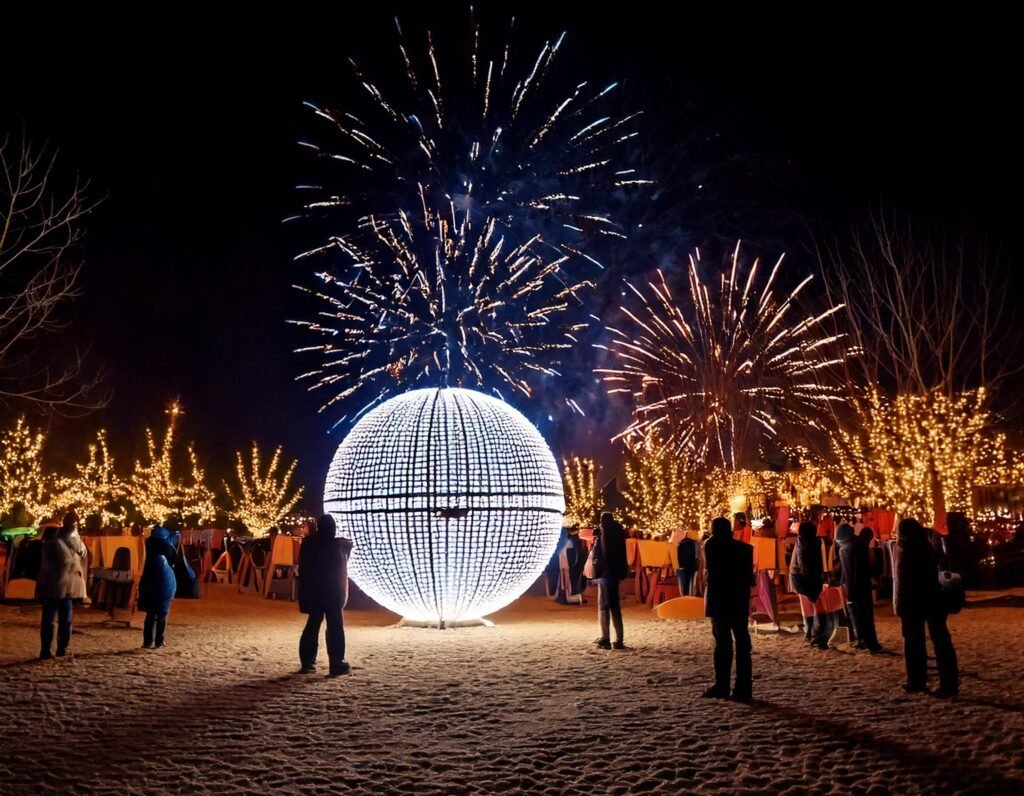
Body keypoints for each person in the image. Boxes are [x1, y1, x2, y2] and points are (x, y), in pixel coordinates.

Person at [894, 518, 959, 697]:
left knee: (916, 643)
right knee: (941, 642)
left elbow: (904, 583)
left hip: (914, 603)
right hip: (932, 600)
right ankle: (948, 682)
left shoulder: (907, 551)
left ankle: (917, 679)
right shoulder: (926, 547)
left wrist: (901, 605)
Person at [702, 516, 754, 702]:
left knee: (723, 644)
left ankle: (722, 684)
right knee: (742, 644)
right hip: (738, 601)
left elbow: (711, 574)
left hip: (719, 601)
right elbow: (750, 578)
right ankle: (743, 687)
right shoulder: (745, 550)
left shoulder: (711, 545)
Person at [297, 514, 353, 676]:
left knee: (313, 625)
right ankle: (336, 662)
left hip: (314, 591)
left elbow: (303, 566)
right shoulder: (337, 545)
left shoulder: (308, 543)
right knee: (335, 626)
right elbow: (344, 558)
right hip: (332, 592)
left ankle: (307, 662)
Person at [35, 513, 88, 659]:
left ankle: (47, 649)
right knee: (64, 619)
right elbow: (81, 554)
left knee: (50, 619)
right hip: (65, 586)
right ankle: (60, 648)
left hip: (52, 585)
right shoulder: (73, 538)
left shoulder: (51, 540)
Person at [835, 523, 881, 652]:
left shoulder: (846, 548)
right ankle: (869, 642)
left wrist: (841, 582)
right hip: (861, 585)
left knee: (855, 614)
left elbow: (846, 571)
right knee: (865, 615)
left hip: (851, 586)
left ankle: (861, 639)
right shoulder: (858, 546)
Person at [138, 522, 180, 648]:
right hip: (164, 581)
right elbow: (174, 562)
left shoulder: (147, 542)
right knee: (162, 612)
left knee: (150, 613)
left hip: (148, 580)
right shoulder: (168, 545)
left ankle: (147, 641)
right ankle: (159, 640)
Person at [591, 511, 628, 650]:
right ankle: (618, 639)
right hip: (615, 573)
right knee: (615, 607)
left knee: (604, 605)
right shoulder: (619, 532)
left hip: (605, 573)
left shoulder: (604, 533)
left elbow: (604, 553)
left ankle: (605, 638)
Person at [790, 521, 827, 648]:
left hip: (803, 577)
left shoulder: (804, 542)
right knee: (815, 603)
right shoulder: (807, 544)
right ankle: (817, 634)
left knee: (810, 605)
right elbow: (804, 565)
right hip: (805, 578)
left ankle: (812, 633)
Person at [676, 531, 698, 596]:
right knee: (690, 580)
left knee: (684, 581)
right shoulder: (692, 543)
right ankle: (687, 597)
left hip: (682, 565)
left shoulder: (682, 542)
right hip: (689, 564)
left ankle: (684, 597)